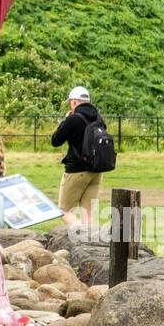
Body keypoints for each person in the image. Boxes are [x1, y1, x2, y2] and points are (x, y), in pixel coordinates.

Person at [51, 85, 107, 225]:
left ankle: (79, 234)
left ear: (74, 102)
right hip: (96, 171)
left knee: (64, 210)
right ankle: (90, 243)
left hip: (77, 170)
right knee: (87, 214)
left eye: (70, 102)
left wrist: (65, 121)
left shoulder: (73, 119)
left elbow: (55, 141)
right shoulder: (99, 119)